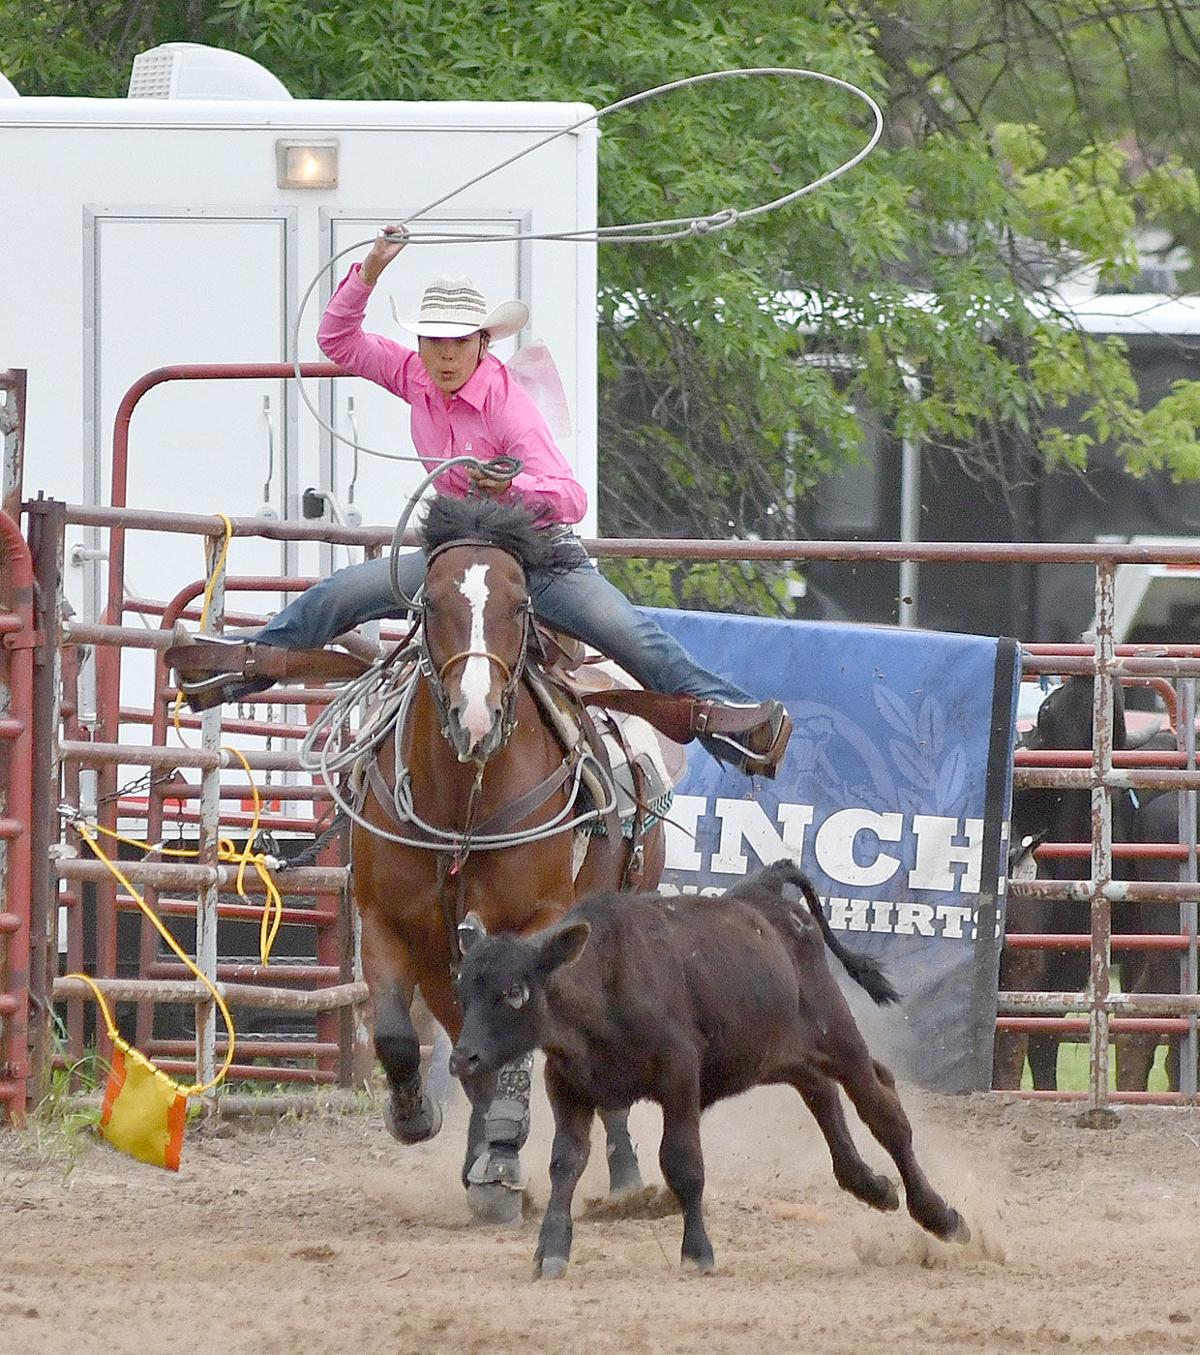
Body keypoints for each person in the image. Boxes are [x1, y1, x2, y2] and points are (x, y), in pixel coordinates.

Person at [174, 226, 792, 777]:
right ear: (420, 343)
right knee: (341, 595)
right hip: (458, 552)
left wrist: (513, 489)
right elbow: (338, 339)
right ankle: (242, 665)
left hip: (538, 558)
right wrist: (370, 270)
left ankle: (727, 718)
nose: (444, 354)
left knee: (629, 634)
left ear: (481, 344)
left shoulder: (508, 405)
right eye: (433, 341)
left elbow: (570, 498)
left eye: (456, 342)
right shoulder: (413, 375)